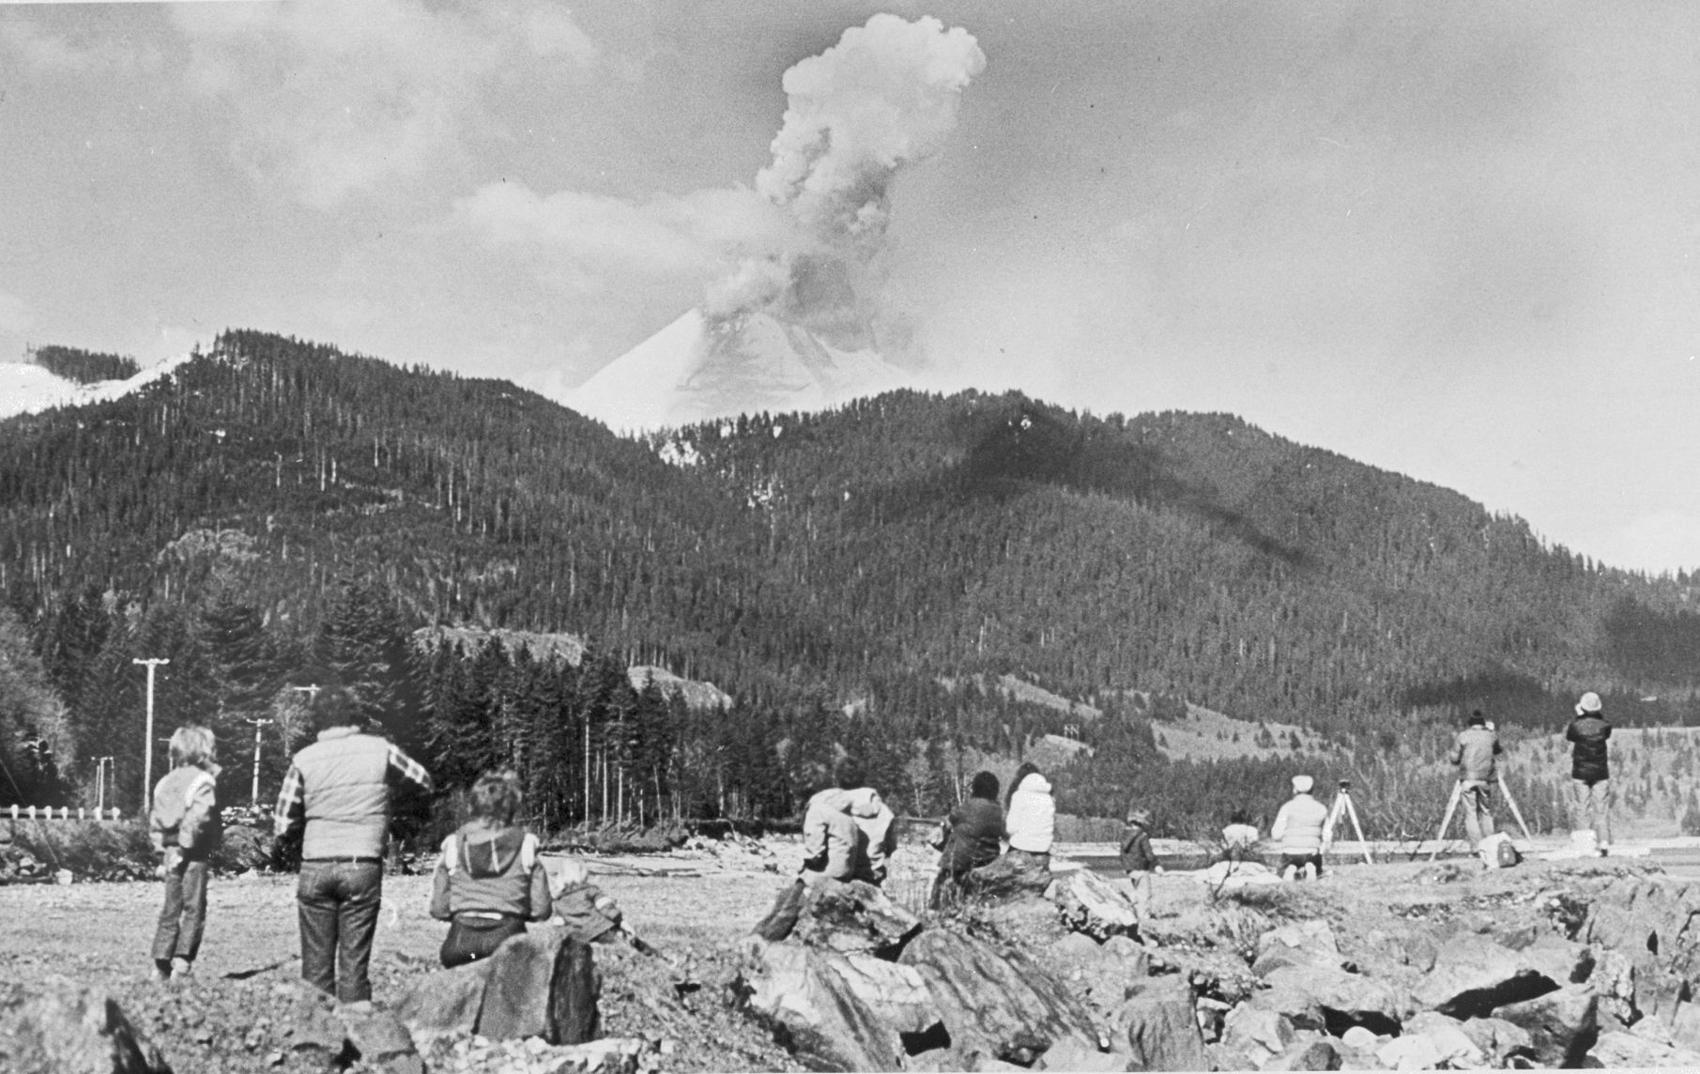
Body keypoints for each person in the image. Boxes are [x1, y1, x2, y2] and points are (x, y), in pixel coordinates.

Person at [274, 685, 433, 1004]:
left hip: (316, 862)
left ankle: (316, 1025)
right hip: (362, 861)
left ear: (317, 719)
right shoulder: (380, 749)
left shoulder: (303, 759)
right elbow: (423, 781)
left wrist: (295, 839)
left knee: (315, 967)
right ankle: (356, 1020)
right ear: (355, 715)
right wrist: (391, 804)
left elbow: (282, 822)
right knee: (354, 965)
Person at [428, 769, 552, 967]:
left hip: (460, 942)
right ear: (513, 807)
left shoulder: (453, 845)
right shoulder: (526, 846)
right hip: (508, 938)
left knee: (464, 976)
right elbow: (541, 910)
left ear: (472, 806)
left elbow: (438, 909)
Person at [149, 725, 221, 982]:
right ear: (203, 751)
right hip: (193, 852)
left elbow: (155, 821)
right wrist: (185, 846)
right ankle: (182, 962)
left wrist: (162, 852)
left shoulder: (164, 782)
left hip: (169, 851)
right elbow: (198, 817)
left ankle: (160, 962)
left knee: (171, 907)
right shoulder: (203, 781)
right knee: (194, 907)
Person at [800, 757, 893, 885]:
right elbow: (890, 850)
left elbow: (813, 845)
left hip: (834, 873)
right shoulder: (885, 811)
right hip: (870, 876)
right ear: (863, 778)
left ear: (836, 778)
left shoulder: (823, 801)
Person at [930, 771, 1004, 908]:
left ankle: (935, 906)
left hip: (958, 860)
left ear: (975, 788)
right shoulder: (998, 811)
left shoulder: (968, 805)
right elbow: (1003, 832)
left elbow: (950, 820)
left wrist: (941, 827)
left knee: (943, 882)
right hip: (985, 860)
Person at [1447, 710, 1502, 849]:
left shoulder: (1463, 736)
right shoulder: (1491, 736)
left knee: (1470, 814)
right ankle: (1490, 846)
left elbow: (1454, 758)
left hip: (1468, 779)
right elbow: (1497, 750)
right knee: (1486, 812)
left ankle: (1476, 847)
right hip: (1485, 779)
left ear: (1470, 723)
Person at [1567, 691, 1613, 851]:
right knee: (1601, 809)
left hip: (1580, 772)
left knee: (1582, 808)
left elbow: (1570, 736)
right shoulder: (1605, 726)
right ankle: (1603, 841)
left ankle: (1584, 843)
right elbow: (1604, 732)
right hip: (1600, 772)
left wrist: (1579, 716)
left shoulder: (1576, 726)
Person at [1270, 775, 1329, 880]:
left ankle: (1291, 867)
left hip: (1290, 851)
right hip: (1311, 851)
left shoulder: (1287, 807)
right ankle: (1311, 866)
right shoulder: (1321, 808)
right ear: (1312, 789)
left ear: (1295, 790)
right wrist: (1322, 849)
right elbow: (1327, 835)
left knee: (1282, 870)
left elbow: (1276, 834)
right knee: (1316, 864)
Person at [1004, 762, 1056, 873]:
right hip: (1043, 852)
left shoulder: (1019, 796)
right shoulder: (1049, 799)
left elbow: (1010, 828)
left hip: (1020, 850)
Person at [1118, 807, 1161, 920]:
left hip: (1130, 868)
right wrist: (1156, 865)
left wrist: (1125, 866)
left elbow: (1122, 854)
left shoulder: (1124, 835)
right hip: (1141, 868)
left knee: (1136, 891)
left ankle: (1131, 911)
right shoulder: (1142, 836)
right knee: (1146, 893)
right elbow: (1148, 853)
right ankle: (1145, 916)